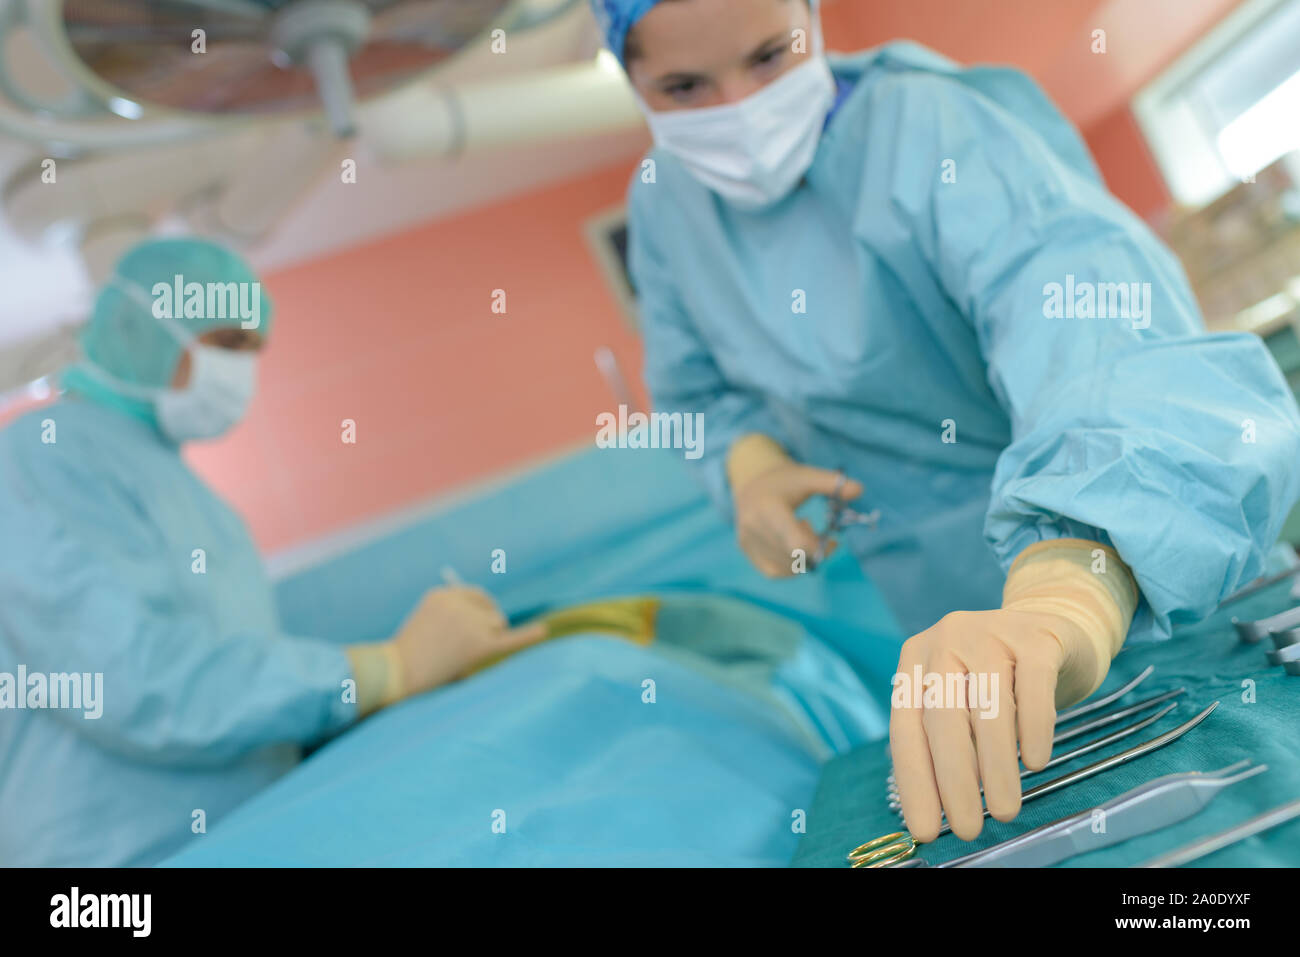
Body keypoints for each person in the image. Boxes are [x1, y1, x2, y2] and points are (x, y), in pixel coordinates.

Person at [593, 0, 1300, 843]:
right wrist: (749, 467)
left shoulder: (936, 129)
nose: (739, 106)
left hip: (1141, 557)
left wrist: (1070, 586)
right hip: (936, 604)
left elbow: (1087, 319)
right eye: (683, 85)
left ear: (812, 19)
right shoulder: (666, 214)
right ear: (628, 81)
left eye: (769, 56)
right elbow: (697, 394)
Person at [0, 237, 545, 866]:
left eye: (255, 350)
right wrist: (378, 671)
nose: (243, 370)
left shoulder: (197, 503)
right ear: (141, 330)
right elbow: (132, 681)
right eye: (228, 343)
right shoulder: (41, 459)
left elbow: (236, 687)